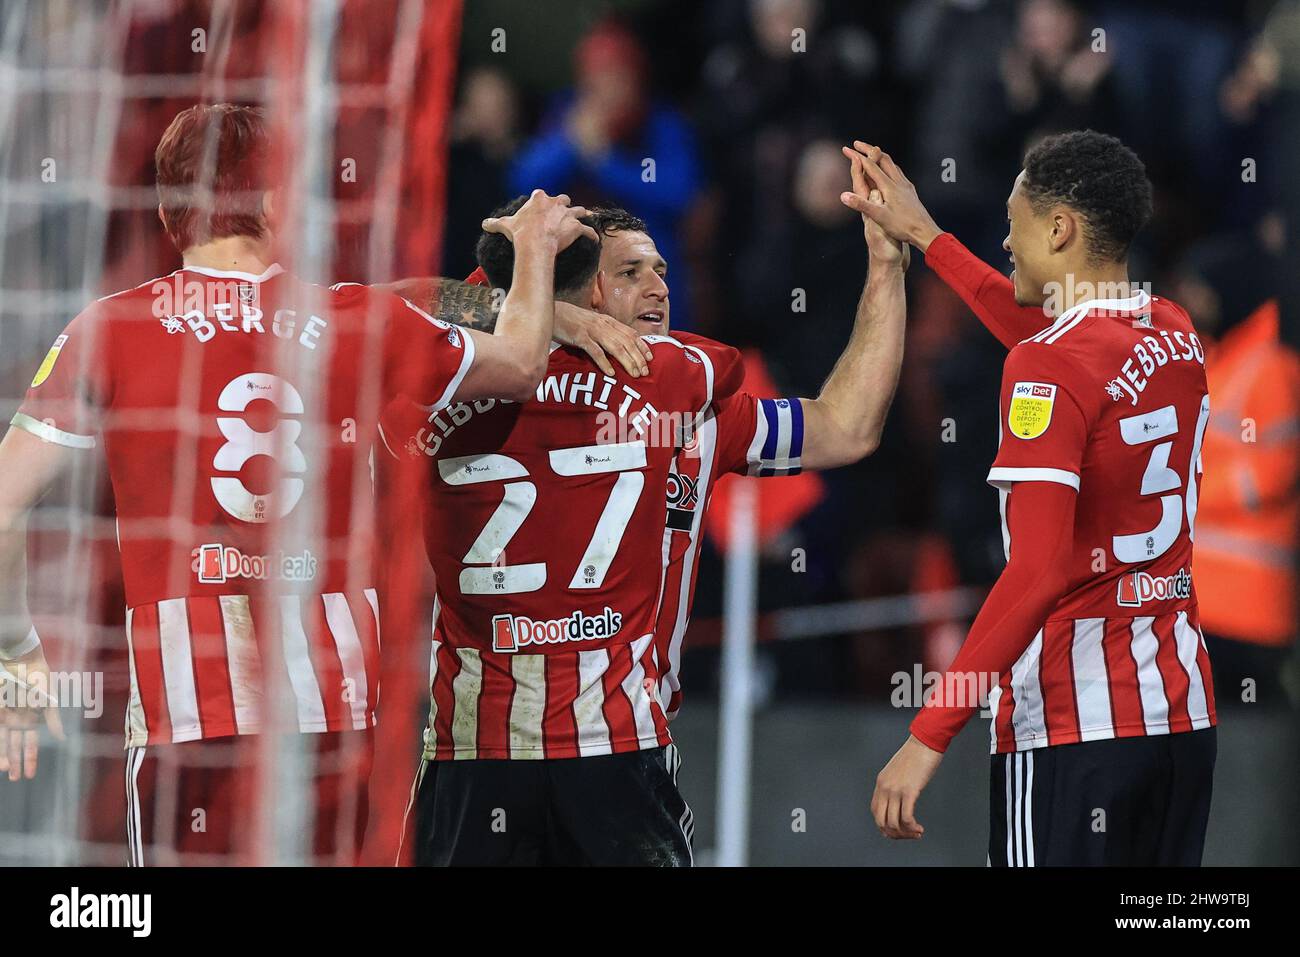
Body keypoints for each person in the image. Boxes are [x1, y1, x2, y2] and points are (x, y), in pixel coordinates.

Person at [0, 103, 593, 864]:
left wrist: (17, 652)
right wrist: (538, 247)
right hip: (334, 718)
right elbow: (519, 361)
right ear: (281, 201)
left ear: (165, 210)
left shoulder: (109, 329)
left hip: (193, 721)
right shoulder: (356, 320)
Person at [386, 153, 908, 864]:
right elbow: (849, 426)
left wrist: (537, 308)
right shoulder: (686, 391)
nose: (659, 285)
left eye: (661, 268)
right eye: (629, 272)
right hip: (612, 748)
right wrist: (888, 268)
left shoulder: (450, 385)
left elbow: (387, 306)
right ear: (582, 289)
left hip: (477, 746)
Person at [855, 132, 1217, 866]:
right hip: (1180, 719)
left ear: (1060, 229)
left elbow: (1038, 571)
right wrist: (927, 235)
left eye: (1015, 220)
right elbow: (1056, 338)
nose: (1005, 240)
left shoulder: (1048, 364)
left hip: (1073, 725)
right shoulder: (1174, 331)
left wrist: (929, 732)